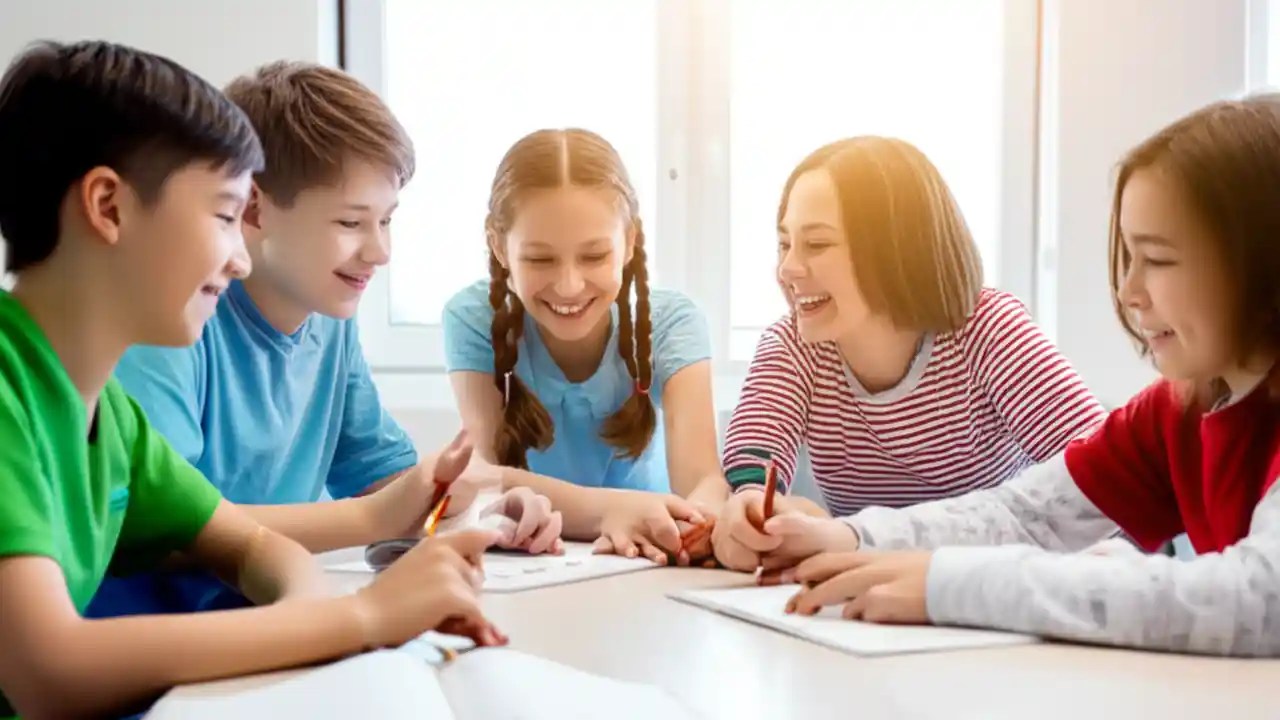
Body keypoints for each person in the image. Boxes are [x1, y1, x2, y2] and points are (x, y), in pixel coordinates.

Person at [0, 40, 503, 719]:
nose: (240, 259)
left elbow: (254, 544)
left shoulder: (113, 419)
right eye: (223, 215)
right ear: (108, 208)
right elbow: (47, 672)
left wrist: (312, 628)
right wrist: (357, 619)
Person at [778, 99, 1280, 657]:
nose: (1128, 292)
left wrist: (955, 585)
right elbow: (1029, 514)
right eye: (1128, 258)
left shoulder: (990, 327)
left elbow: (1259, 600)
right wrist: (851, 538)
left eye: (1157, 260)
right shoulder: (1177, 409)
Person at [712, 136, 1105, 571]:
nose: (787, 268)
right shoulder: (793, 344)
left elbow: (1107, 476)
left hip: (993, 588)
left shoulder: (988, 329)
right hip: (870, 593)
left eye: (817, 244)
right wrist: (749, 508)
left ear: (896, 247)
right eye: (785, 244)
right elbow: (756, 452)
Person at [443, 128, 726, 565]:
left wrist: (695, 525)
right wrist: (606, 513)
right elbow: (483, 477)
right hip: (535, 562)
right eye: (540, 259)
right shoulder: (473, 317)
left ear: (629, 241)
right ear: (498, 246)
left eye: (594, 257)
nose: (569, 285)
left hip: (649, 557)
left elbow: (703, 480)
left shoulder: (674, 323)